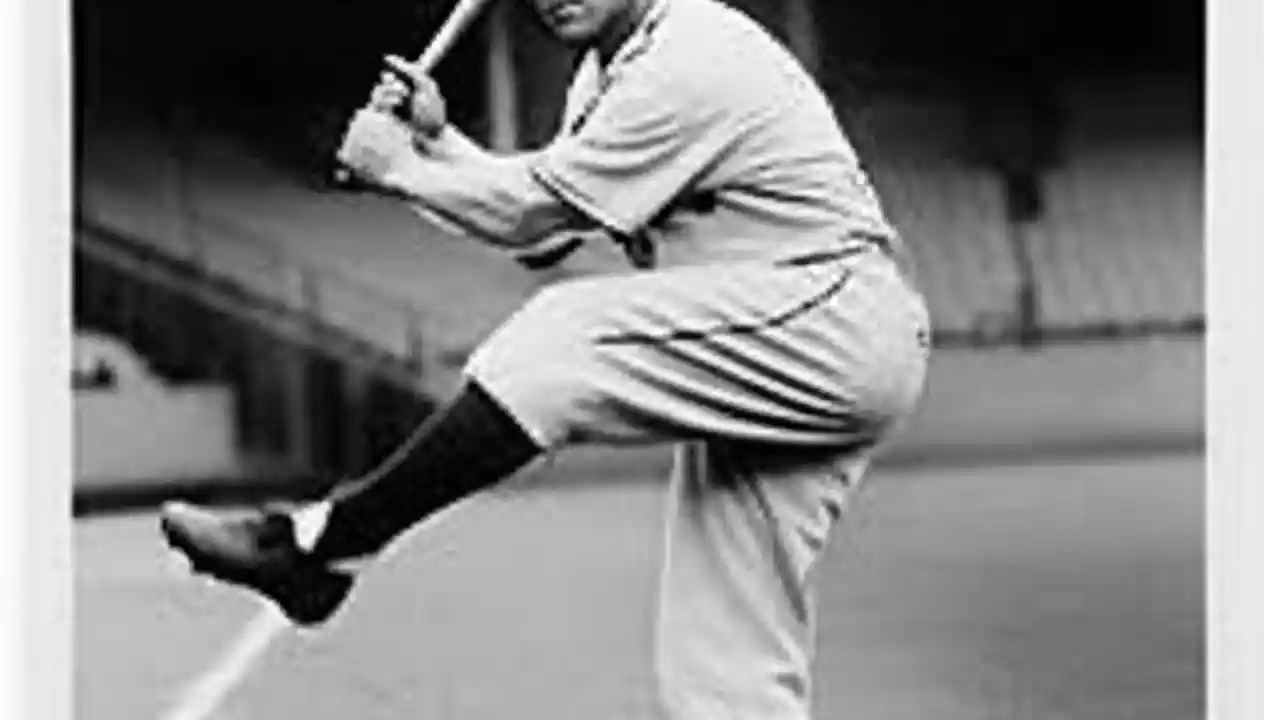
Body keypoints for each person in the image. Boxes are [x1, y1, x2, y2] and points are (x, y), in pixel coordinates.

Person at [160, 0, 931, 716]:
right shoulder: (603, 76)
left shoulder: (692, 52)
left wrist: (397, 168)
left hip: (831, 314)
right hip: (789, 335)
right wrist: (440, 143)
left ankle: (323, 545)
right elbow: (544, 234)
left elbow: (530, 208)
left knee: (565, 337)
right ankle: (318, 554)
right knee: (722, 664)